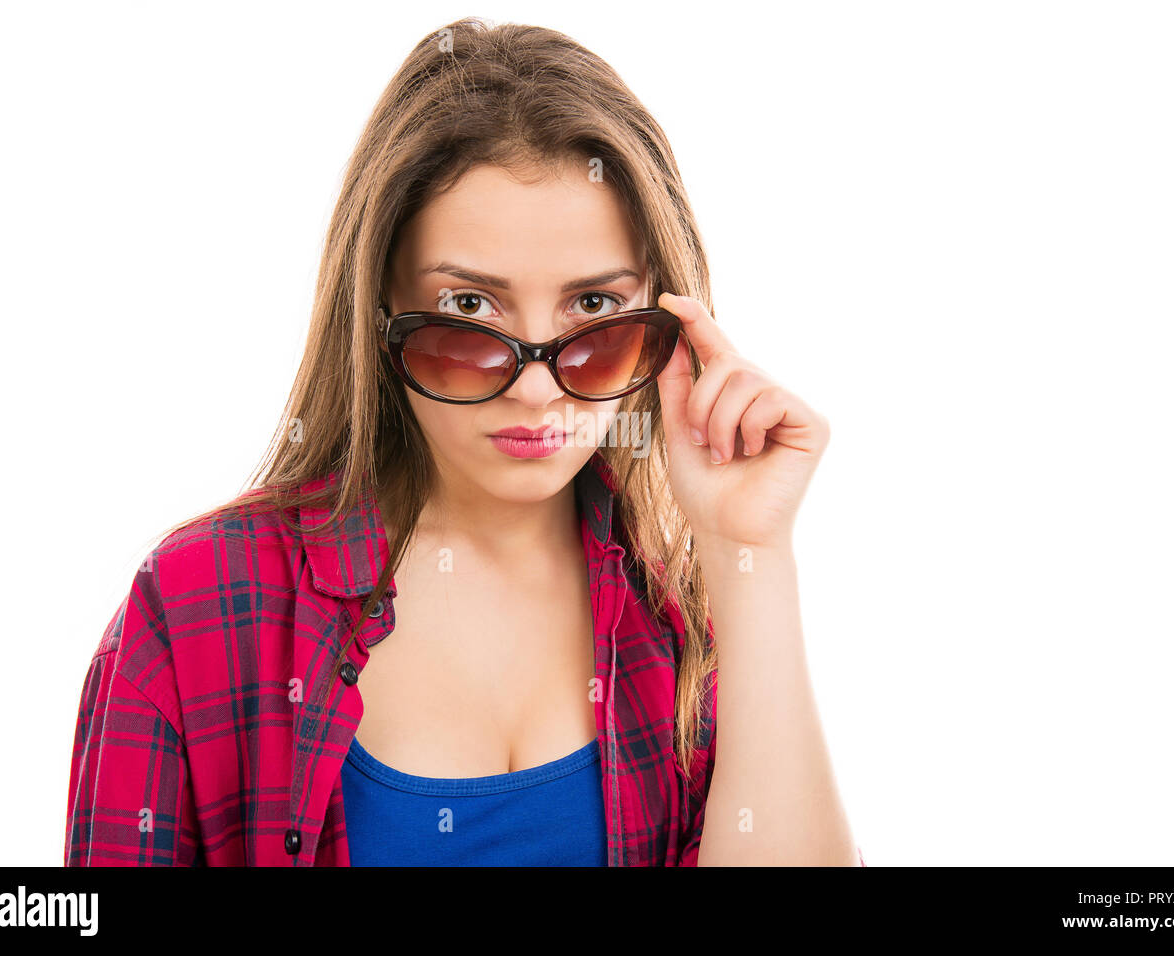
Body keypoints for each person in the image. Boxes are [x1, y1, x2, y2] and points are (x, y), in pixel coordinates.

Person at [63, 16, 863, 867]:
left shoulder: (684, 613)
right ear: (378, 310)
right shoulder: (199, 604)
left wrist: (752, 550)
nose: (535, 387)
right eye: (469, 312)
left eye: (593, 311)